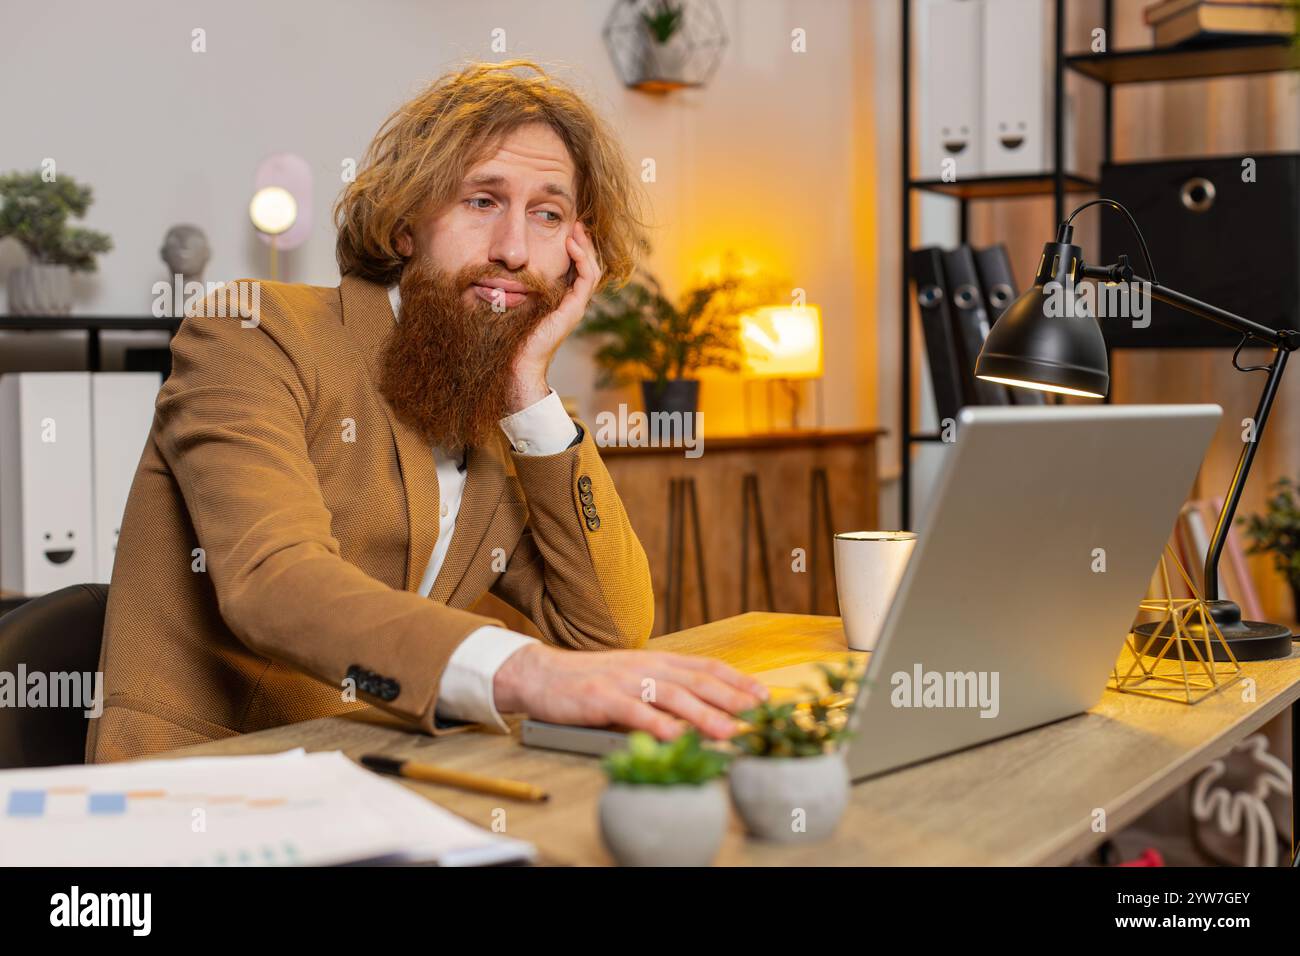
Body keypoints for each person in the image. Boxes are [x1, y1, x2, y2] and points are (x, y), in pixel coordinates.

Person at [88, 60, 765, 763]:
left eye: (548, 215)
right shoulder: (253, 329)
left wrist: (530, 393)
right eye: (481, 201)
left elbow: (608, 630)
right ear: (406, 224)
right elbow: (273, 581)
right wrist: (524, 672)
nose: (512, 251)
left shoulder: (496, 411)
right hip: (199, 792)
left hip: (380, 782)